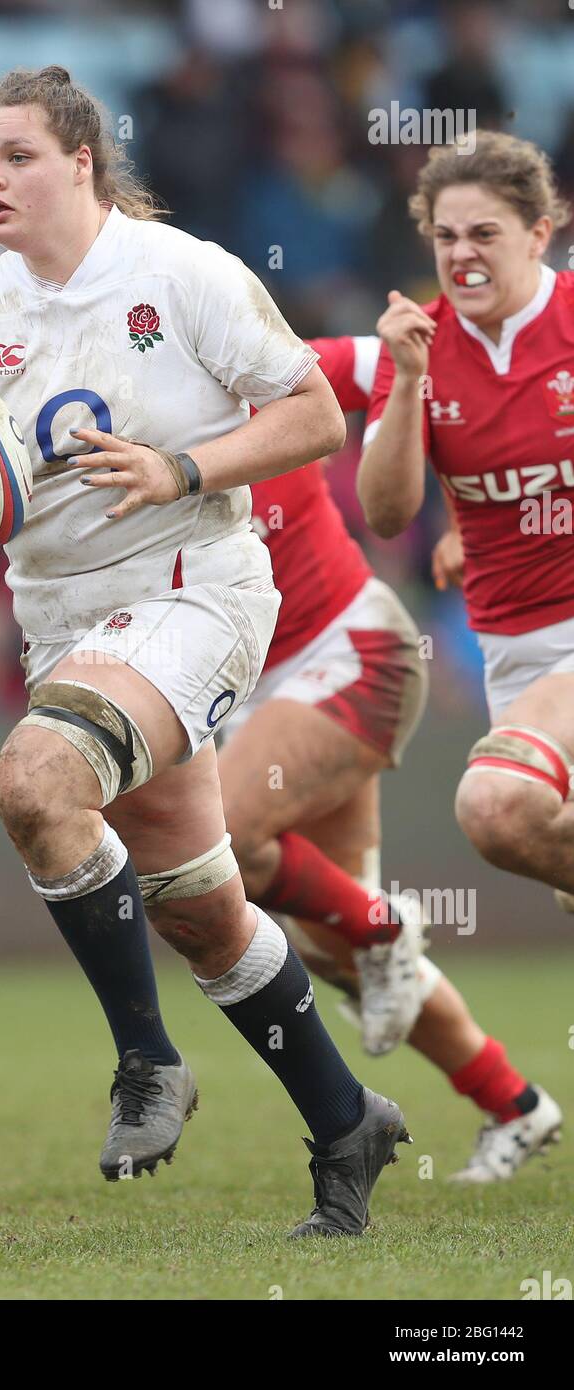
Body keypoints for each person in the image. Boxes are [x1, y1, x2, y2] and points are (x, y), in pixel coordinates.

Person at [0, 64, 411, 1236]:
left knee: (34, 780)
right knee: (199, 905)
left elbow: (313, 412)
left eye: (15, 156)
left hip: (193, 593)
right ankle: (345, 1117)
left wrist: (182, 468)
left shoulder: (182, 273)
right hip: (65, 625)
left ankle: (148, 1059)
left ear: (81, 162)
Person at [219, 332, 561, 1182]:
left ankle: (386, 928)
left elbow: (416, 375)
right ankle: (513, 1103)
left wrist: (462, 507)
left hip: (351, 648)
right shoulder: (109, 417)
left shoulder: (267, 360)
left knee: (225, 842)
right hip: (262, 690)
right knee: (332, 948)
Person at [358, 131, 574, 931]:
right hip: (512, 650)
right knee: (521, 827)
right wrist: (409, 382)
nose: (461, 254)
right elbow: (385, 513)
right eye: (445, 236)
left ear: (538, 233)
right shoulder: (414, 347)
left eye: (484, 233)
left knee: (493, 800)